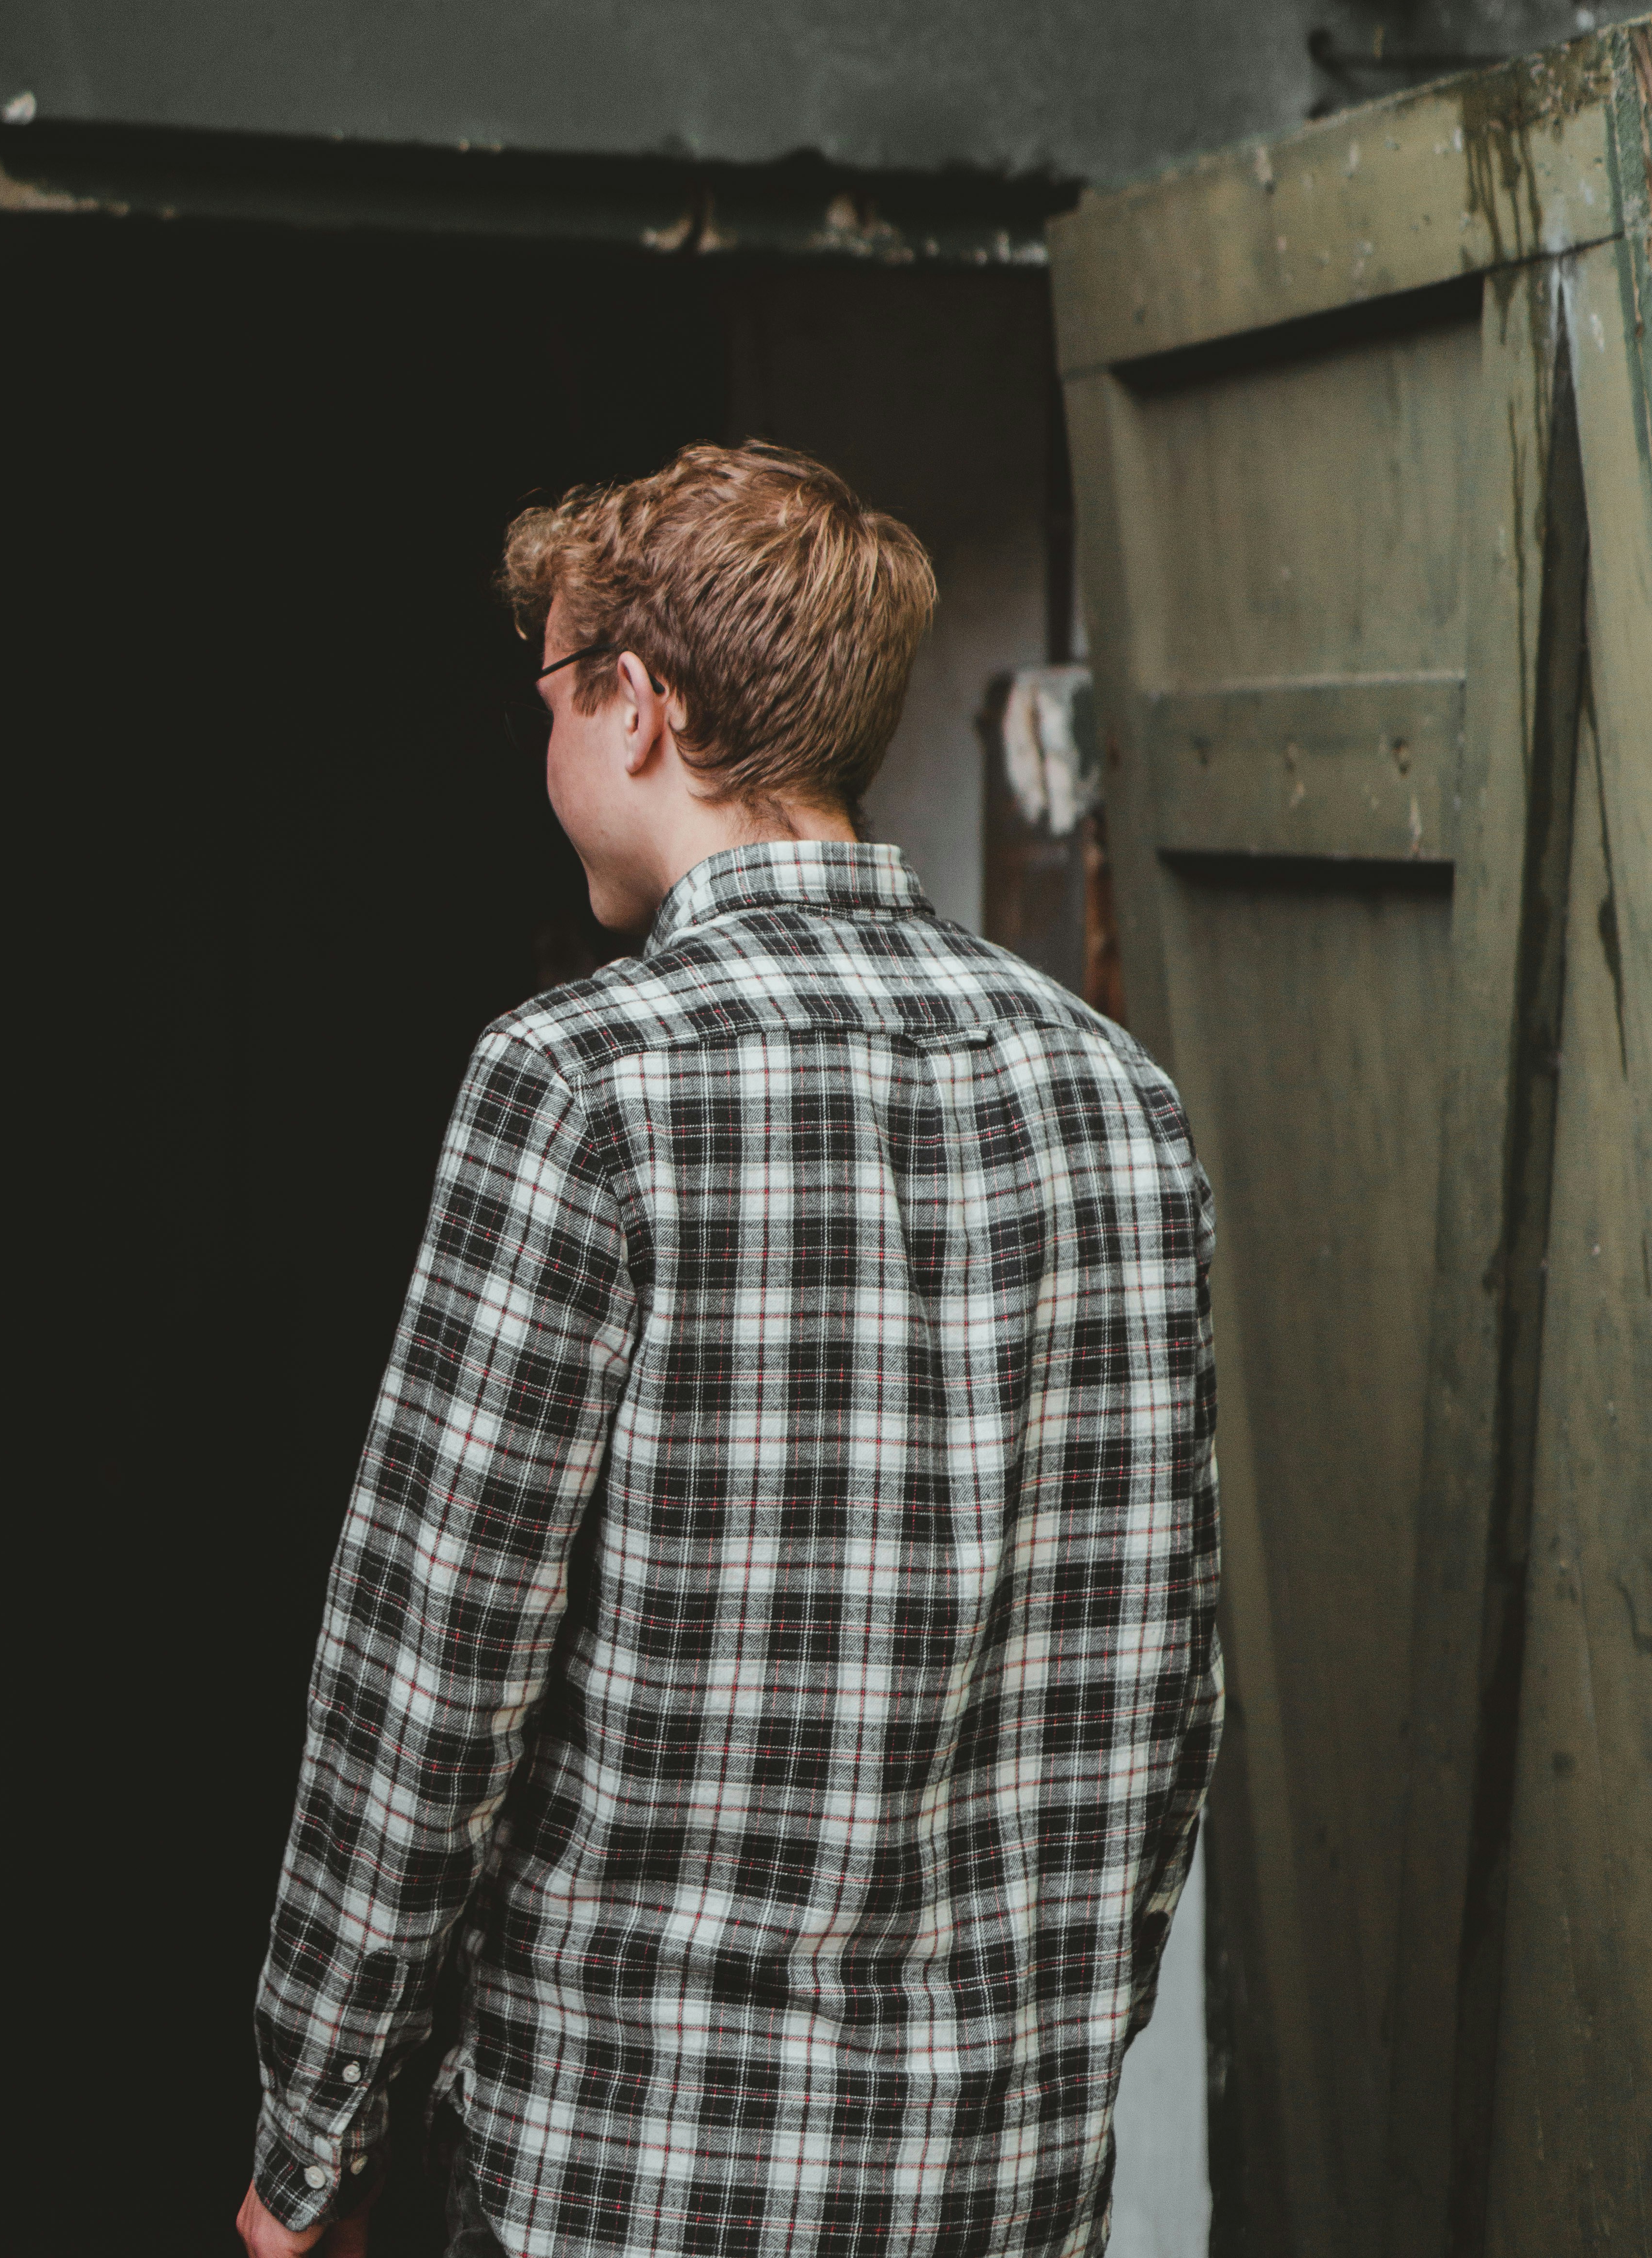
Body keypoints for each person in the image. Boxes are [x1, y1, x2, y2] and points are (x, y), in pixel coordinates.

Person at [237, 443, 1221, 2258]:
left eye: (550, 683)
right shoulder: (1124, 1103)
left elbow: (425, 1687)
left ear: (639, 703)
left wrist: (315, 2132)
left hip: (632, 2188)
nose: (538, 743)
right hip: (1004, 2188)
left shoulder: (581, 1085)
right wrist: (1043, 2079)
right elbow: (1163, 1698)